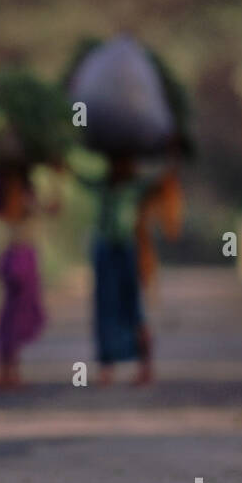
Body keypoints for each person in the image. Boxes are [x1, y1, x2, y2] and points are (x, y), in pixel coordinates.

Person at [76, 152, 183, 386]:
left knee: (133, 308)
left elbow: (163, 180)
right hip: (104, 251)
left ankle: (145, 366)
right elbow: (80, 178)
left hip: (128, 249)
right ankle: (107, 368)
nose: (119, 167)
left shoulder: (137, 188)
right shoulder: (102, 186)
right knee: (105, 309)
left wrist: (172, 157)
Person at [0, 163, 58, 388]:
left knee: (13, 316)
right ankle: (7, 372)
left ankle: (10, 371)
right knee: (13, 317)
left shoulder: (19, 195)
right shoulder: (13, 196)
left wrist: (57, 179)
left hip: (17, 258)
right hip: (19, 259)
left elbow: (54, 208)